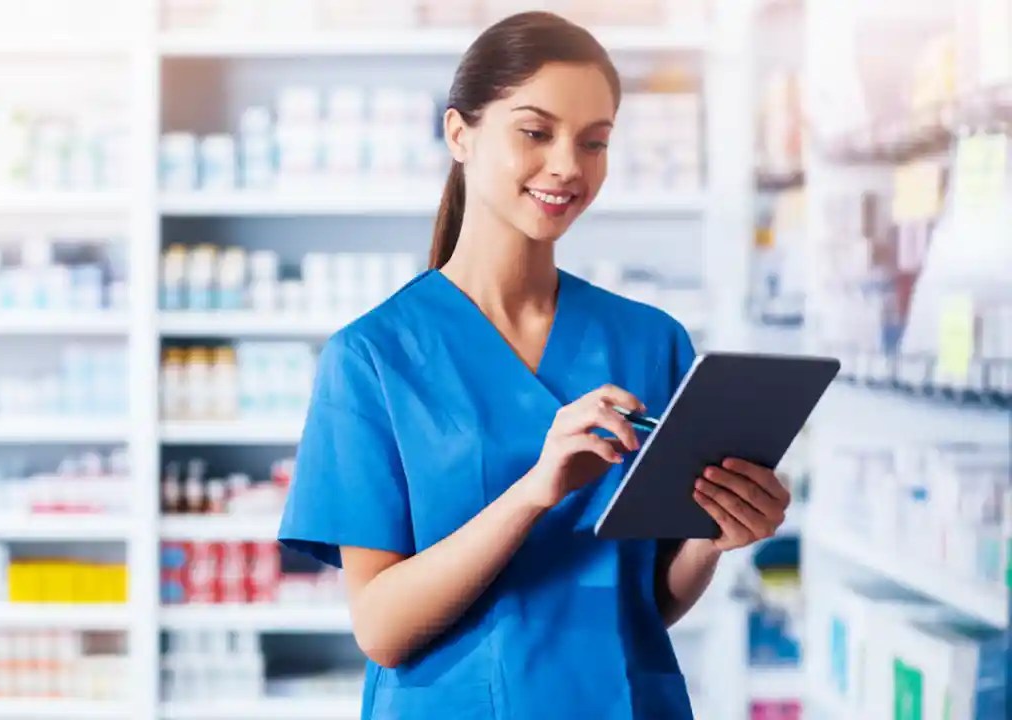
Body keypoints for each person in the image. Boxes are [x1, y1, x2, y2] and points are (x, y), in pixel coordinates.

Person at [277, 11, 790, 720]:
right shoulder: (373, 357)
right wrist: (533, 493)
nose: (568, 166)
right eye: (535, 131)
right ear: (460, 134)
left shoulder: (651, 341)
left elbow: (645, 605)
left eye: (595, 142)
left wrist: (714, 536)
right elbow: (382, 630)